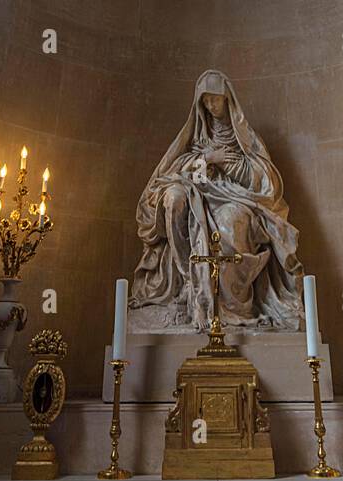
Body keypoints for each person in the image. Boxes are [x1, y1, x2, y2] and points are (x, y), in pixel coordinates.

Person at [129, 70, 304, 330]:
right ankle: (189, 282)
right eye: (206, 101)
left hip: (238, 198)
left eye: (216, 99)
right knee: (174, 198)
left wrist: (231, 167)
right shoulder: (197, 139)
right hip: (199, 195)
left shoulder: (244, 138)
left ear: (227, 99)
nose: (211, 105)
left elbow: (263, 183)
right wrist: (207, 161)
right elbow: (181, 174)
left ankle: (233, 305)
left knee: (231, 221)